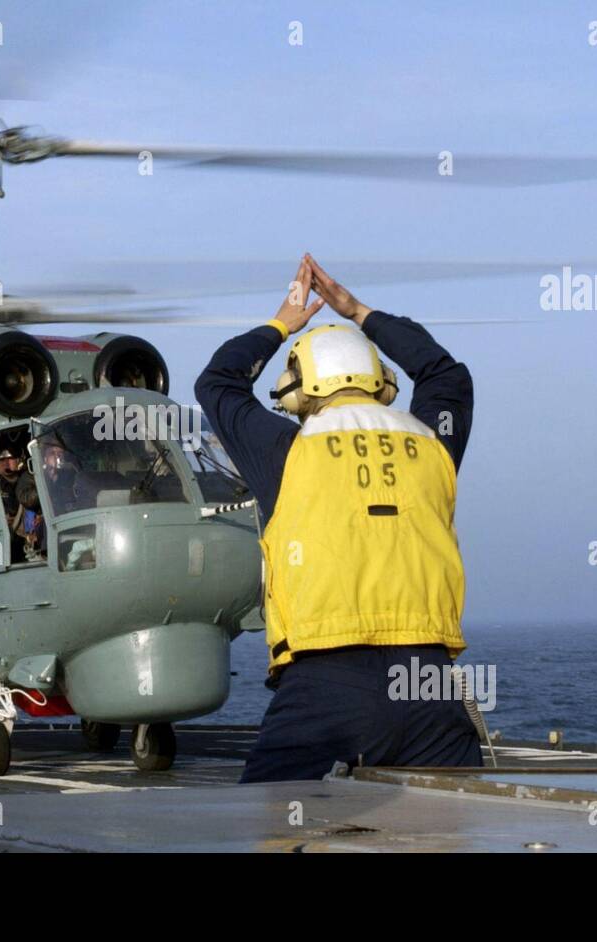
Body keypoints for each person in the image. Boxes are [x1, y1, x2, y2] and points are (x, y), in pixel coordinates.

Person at [194, 253, 482, 782]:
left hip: (326, 684)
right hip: (429, 688)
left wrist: (281, 323)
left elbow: (218, 382)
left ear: (299, 389)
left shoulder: (286, 451)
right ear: (382, 383)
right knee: (448, 819)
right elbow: (445, 374)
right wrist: (360, 312)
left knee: (271, 814)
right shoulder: (432, 442)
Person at [0, 441, 42, 561]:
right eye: (1, 459)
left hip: (32, 536)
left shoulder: (30, 478)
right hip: (7, 537)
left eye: (10, 458)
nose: (6, 463)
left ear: (19, 460)